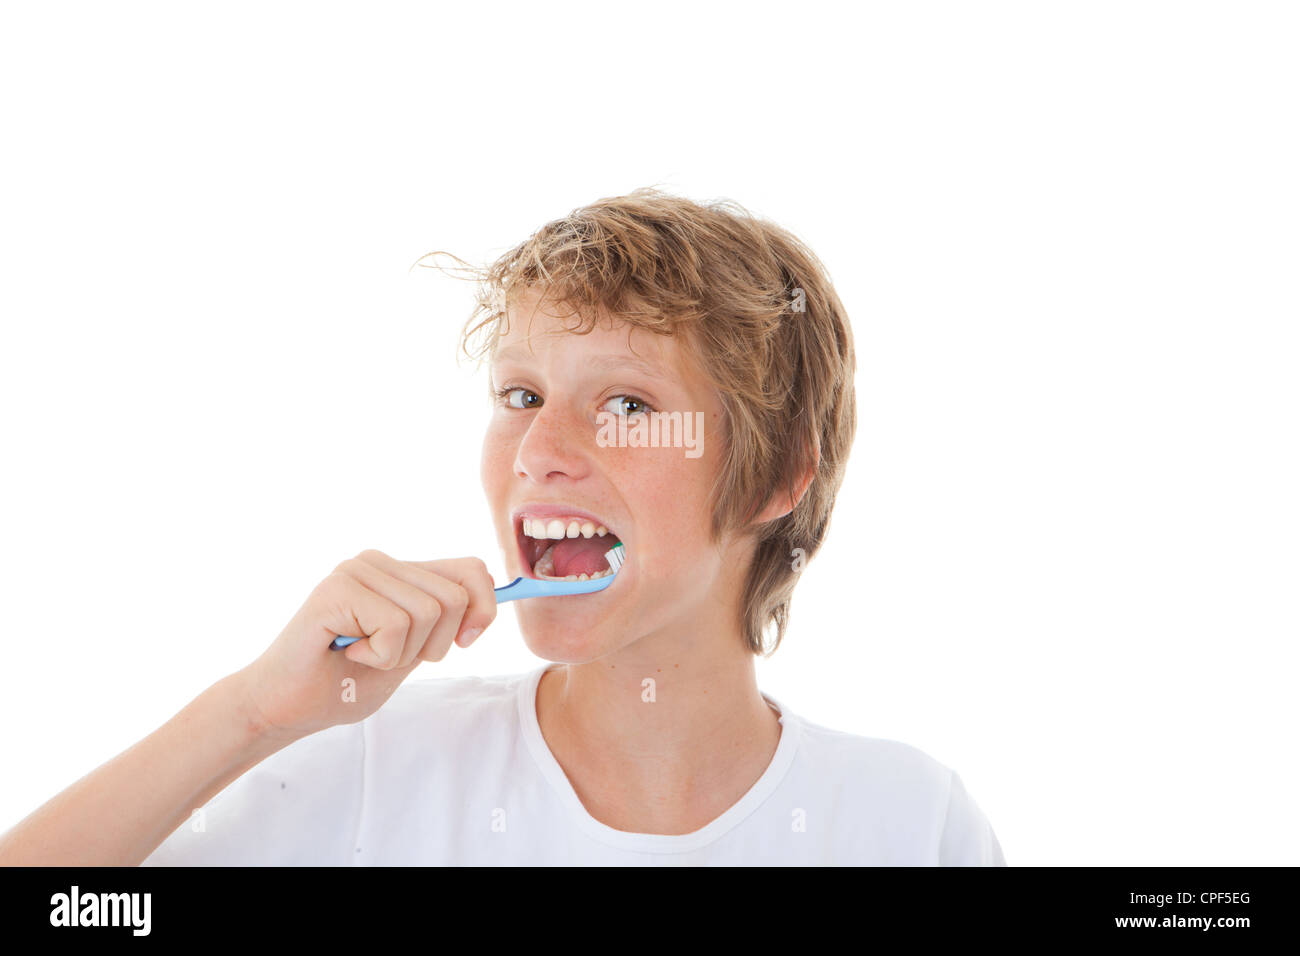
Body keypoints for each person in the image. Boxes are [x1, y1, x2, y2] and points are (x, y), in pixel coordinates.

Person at [0, 188, 1005, 865]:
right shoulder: (371, 771)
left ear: (775, 479)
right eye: (520, 393)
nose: (538, 449)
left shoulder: (909, 822)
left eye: (625, 406)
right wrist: (254, 714)